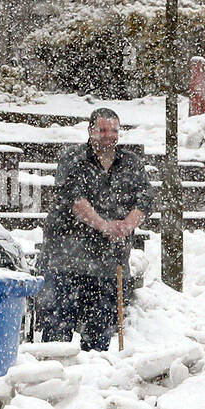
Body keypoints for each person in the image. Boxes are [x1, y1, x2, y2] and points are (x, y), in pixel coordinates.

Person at [40, 107, 154, 351]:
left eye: (113, 130)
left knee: (100, 335)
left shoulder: (130, 163)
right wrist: (104, 226)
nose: (108, 135)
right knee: (57, 333)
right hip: (66, 260)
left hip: (109, 263)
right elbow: (73, 200)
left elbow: (146, 200)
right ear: (90, 131)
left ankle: (93, 379)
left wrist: (126, 226)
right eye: (102, 129)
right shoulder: (73, 159)